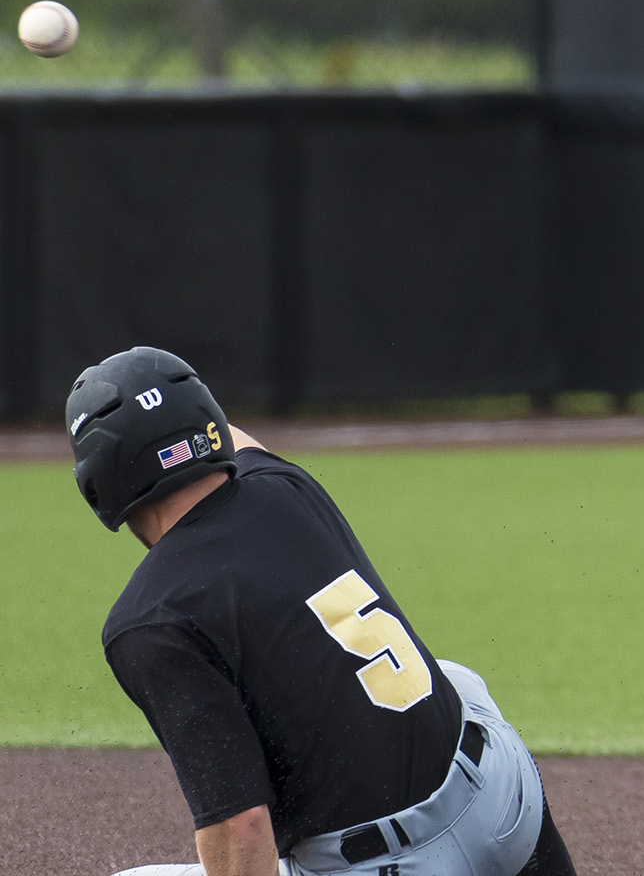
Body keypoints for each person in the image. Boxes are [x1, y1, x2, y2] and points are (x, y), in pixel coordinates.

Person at [67, 346, 576, 876]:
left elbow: (241, 831)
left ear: (98, 481)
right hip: (504, 801)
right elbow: (231, 442)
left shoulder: (149, 619)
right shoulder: (282, 485)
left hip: (394, 865)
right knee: (457, 680)